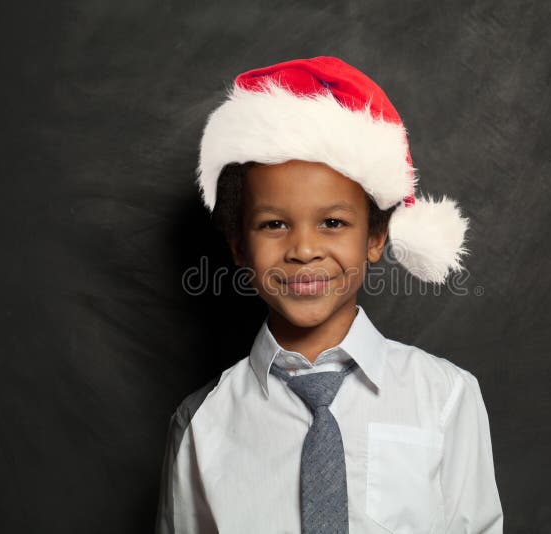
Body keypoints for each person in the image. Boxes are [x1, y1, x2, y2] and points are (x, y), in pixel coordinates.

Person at [155, 56, 503, 533]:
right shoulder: (202, 424)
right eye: (273, 224)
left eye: (333, 223)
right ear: (239, 245)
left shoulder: (445, 398)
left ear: (376, 237)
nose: (303, 249)